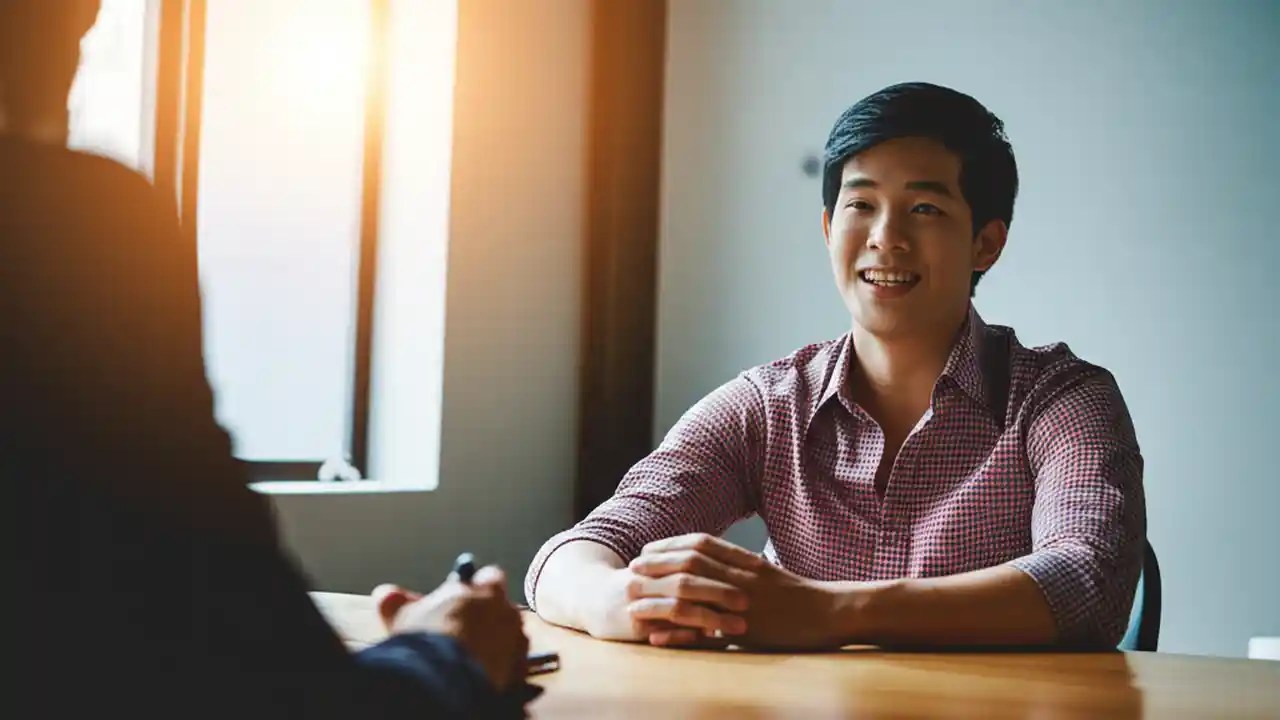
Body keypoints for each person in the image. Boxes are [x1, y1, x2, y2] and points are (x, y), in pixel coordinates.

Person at [3, 2, 531, 716]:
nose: (82, 51)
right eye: (74, 24)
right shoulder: (70, 225)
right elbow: (291, 698)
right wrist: (447, 650)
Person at [526, 82, 1146, 650]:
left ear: (987, 241)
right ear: (828, 227)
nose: (886, 237)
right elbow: (578, 551)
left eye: (924, 209)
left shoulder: (1061, 398)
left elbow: (1089, 581)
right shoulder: (769, 405)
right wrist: (618, 598)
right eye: (860, 206)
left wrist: (831, 611)